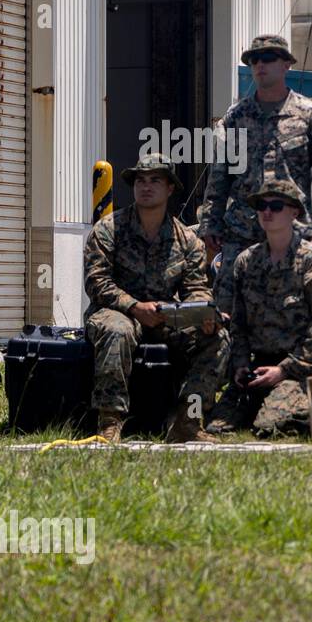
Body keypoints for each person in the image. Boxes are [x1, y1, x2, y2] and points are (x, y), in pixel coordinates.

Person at [84, 154, 229, 444]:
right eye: (140, 180)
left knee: (218, 339)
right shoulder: (109, 229)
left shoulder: (187, 240)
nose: (146, 186)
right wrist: (134, 307)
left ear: (170, 188)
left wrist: (204, 315)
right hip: (115, 311)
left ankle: (187, 420)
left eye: (155, 181)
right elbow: (96, 282)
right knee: (118, 330)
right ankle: (110, 422)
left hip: (164, 315)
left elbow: (196, 288)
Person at [197, 34, 312, 314]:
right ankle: (231, 359)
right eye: (255, 60)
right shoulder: (236, 117)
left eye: (269, 58)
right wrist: (210, 224)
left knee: (294, 305)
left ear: (286, 64)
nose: (260, 65)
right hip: (241, 230)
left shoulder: (310, 116)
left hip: (293, 230)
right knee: (229, 306)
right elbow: (219, 176)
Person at [206, 178, 312, 437]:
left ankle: (309, 406)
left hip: (299, 370)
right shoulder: (247, 261)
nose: (267, 212)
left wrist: (284, 370)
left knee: (270, 428)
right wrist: (242, 364)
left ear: (294, 212)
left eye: (276, 206)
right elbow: (239, 323)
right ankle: (260, 403)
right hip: (258, 367)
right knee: (216, 427)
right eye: (261, 206)